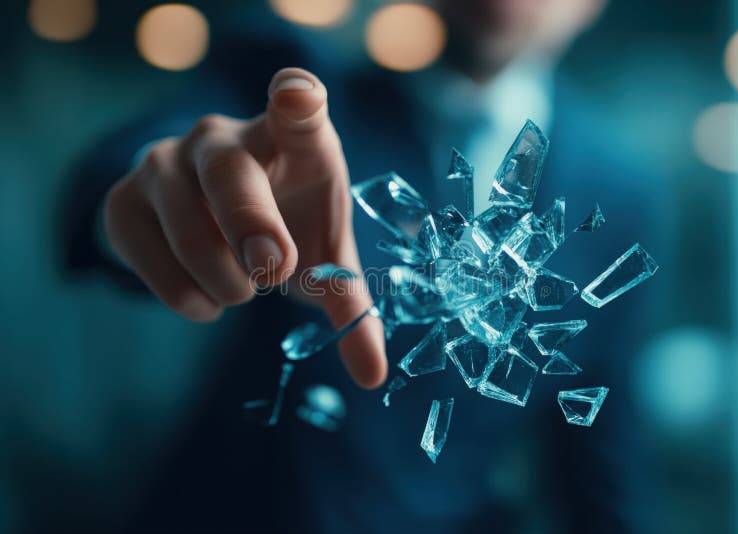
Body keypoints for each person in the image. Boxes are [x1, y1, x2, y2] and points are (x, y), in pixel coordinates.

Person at [66, 0, 659, 531]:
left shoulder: (617, 194)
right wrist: (154, 193)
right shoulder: (291, 88)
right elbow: (126, 173)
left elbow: (597, 450)